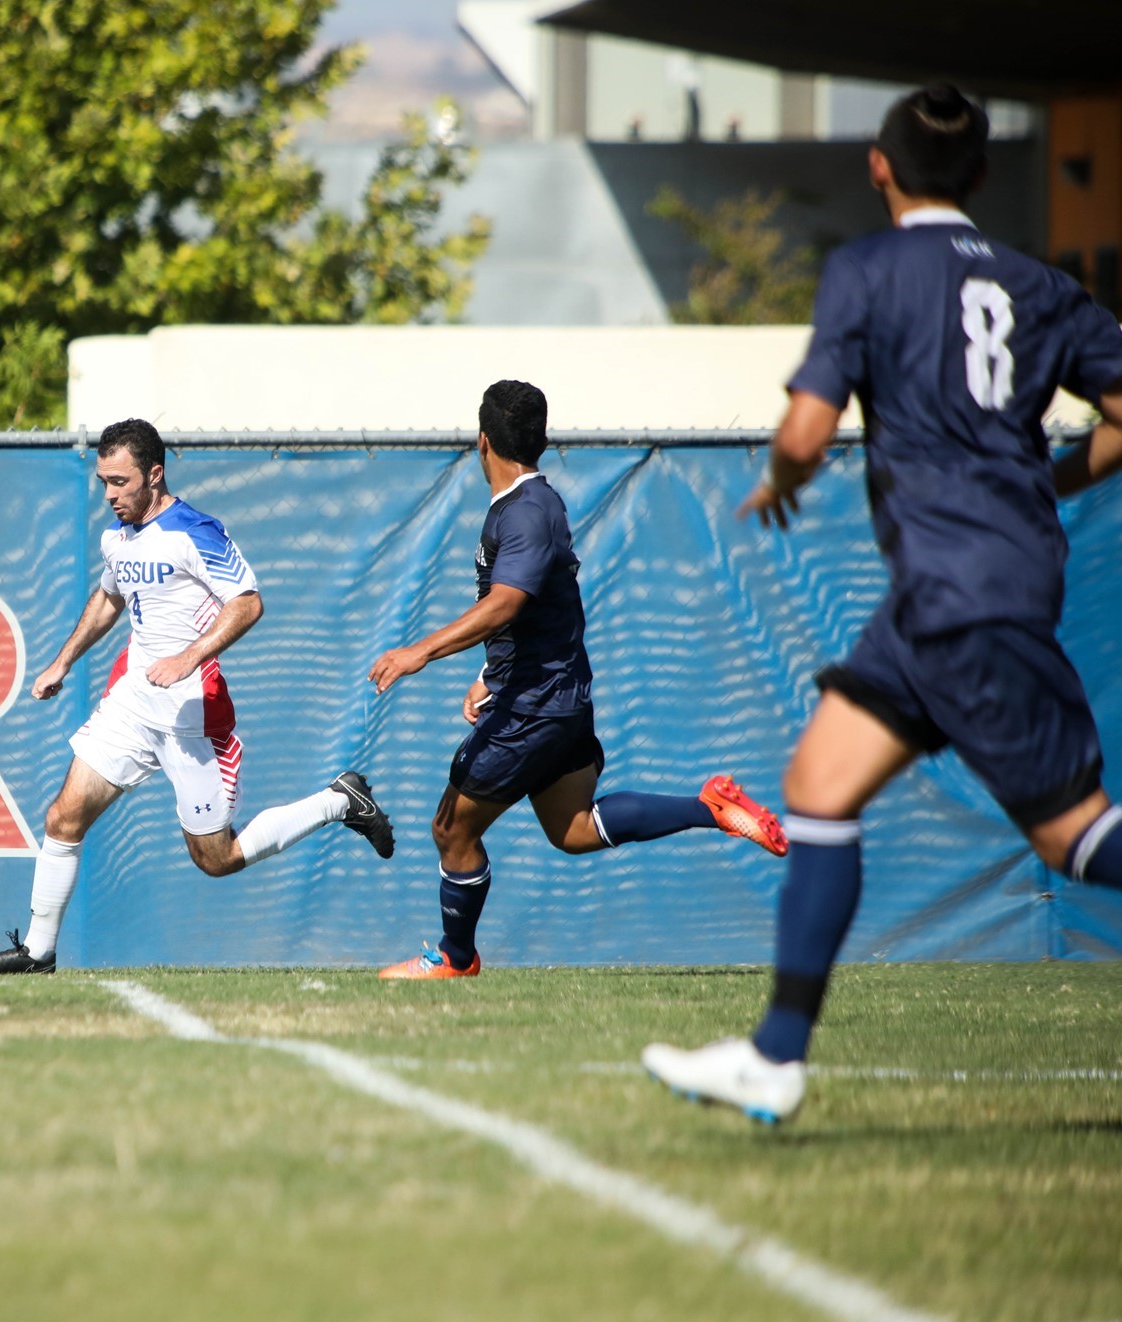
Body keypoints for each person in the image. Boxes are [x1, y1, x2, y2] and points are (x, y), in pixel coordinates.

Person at [643, 86, 1122, 1124]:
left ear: (876, 165)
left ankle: (775, 1056)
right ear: (981, 174)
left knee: (1074, 839)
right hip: (955, 592)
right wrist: (1043, 482)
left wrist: (781, 476)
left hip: (959, 595)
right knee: (817, 784)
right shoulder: (1040, 285)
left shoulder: (866, 270)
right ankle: (774, 1057)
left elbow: (806, 431)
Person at [367, 379, 788, 980]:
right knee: (573, 828)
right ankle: (710, 807)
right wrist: (490, 673)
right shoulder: (535, 504)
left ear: (482, 441)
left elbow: (508, 603)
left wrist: (420, 651)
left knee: (451, 828)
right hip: (551, 697)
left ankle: (456, 959)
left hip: (534, 707)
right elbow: (548, 606)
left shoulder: (525, 511)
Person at [0, 418, 395, 974]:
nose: (110, 495)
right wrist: (62, 662)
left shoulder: (195, 531)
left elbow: (248, 602)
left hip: (193, 717)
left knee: (217, 858)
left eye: (121, 482)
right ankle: (38, 953)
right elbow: (109, 598)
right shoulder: (117, 538)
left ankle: (340, 800)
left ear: (155, 475)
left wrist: (189, 656)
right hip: (133, 706)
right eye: (103, 482)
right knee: (63, 819)